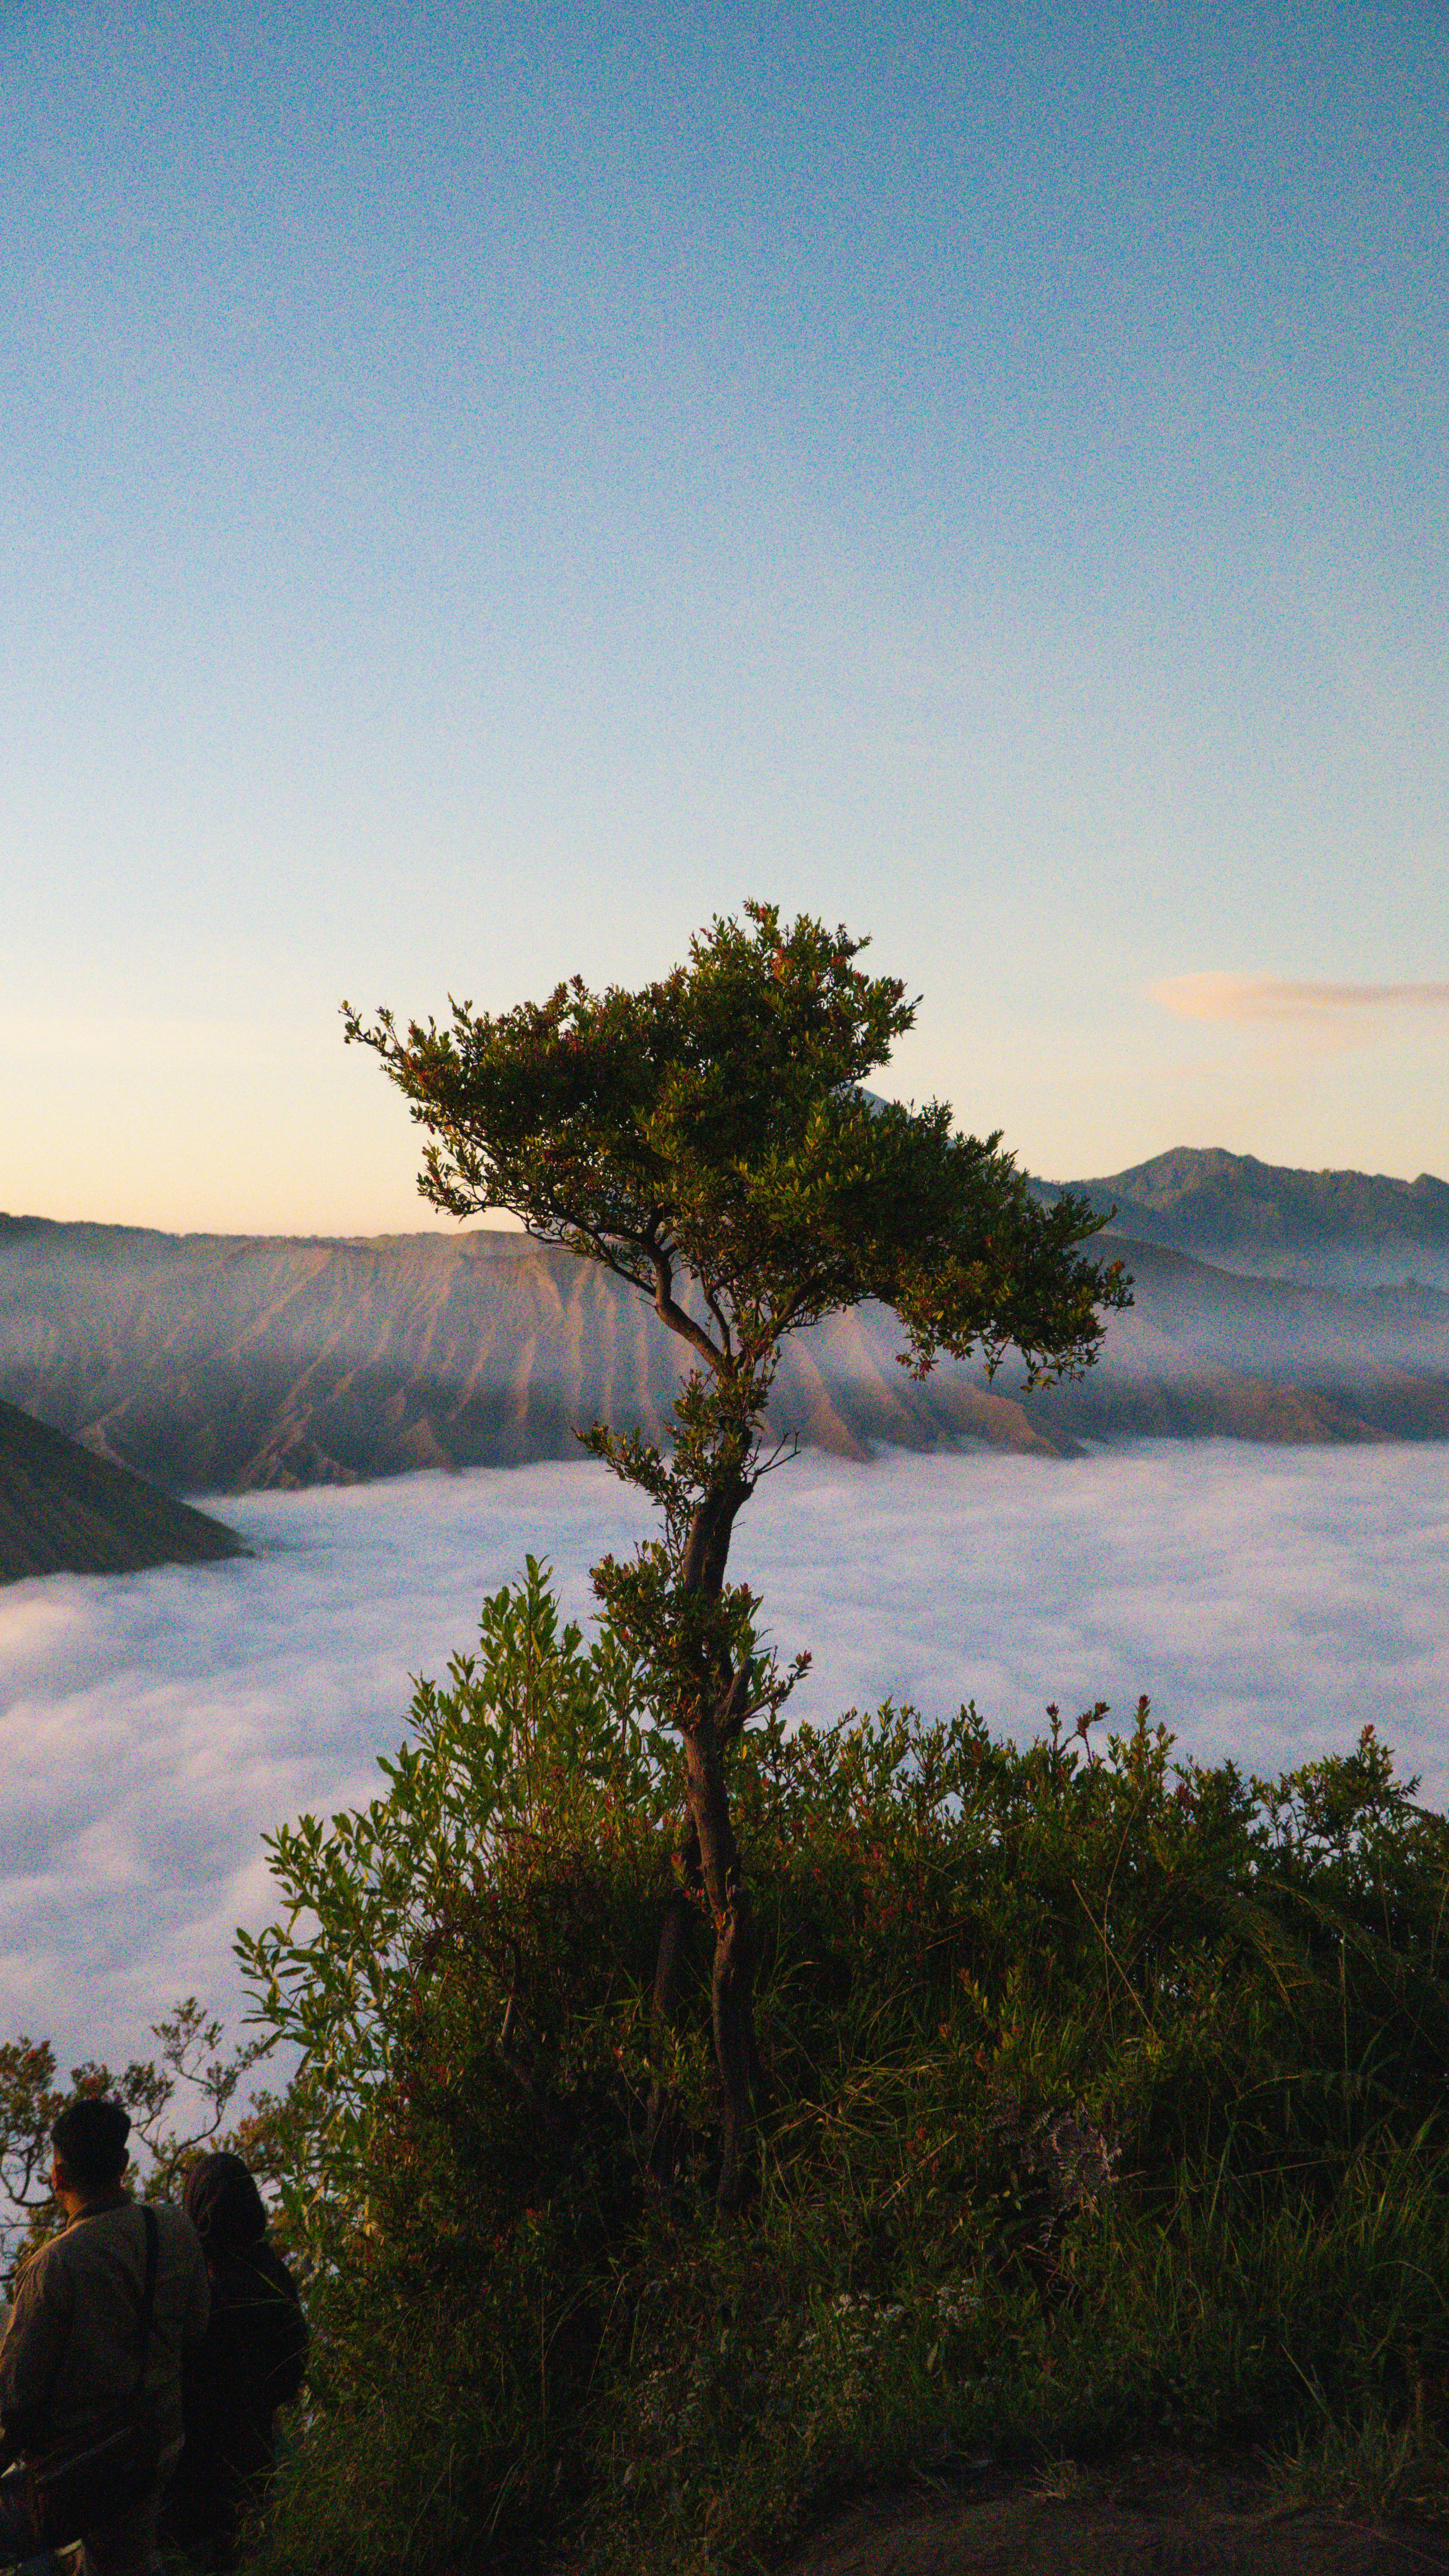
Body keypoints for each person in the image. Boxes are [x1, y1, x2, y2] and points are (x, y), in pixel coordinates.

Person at [0, 2095, 209, 2575]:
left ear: (58, 2177)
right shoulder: (174, 2227)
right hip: (161, 2448)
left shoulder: (55, 2266)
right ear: (123, 2164)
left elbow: (14, 2409)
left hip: (85, 2476)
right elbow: (197, 2330)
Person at [160, 2154, 307, 2568]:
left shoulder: (191, 2276)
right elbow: (293, 2359)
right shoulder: (270, 2270)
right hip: (254, 2451)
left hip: (190, 2465)